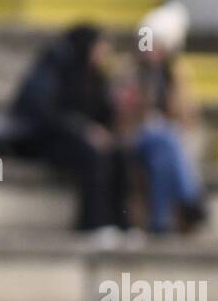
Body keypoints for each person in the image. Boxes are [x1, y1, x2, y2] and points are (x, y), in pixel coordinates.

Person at [8, 24, 128, 237]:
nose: (105, 52)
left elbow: (102, 116)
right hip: (45, 140)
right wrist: (84, 130)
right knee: (92, 156)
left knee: (118, 153)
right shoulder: (55, 67)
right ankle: (92, 225)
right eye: (101, 46)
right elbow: (43, 113)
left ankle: (119, 223)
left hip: (77, 139)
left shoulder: (96, 76)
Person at [123, 2, 207, 233]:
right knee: (167, 140)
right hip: (136, 136)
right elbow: (124, 115)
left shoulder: (173, 75)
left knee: (162, 156)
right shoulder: (131, 72)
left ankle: (159, 221)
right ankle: (190, 198)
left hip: (163, 140)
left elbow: (188, 115)